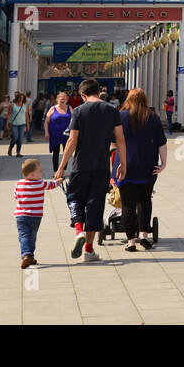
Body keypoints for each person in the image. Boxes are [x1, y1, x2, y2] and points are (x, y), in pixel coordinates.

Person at [56, 78, 126, 263]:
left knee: (74, 198)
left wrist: (61, 167)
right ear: (98, 91)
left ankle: (79, 230)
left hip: (81, 166)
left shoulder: (79, 111)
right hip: (102, 166)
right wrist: (123, 164)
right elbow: (120, 139)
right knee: (95, 205)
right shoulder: (111, 110)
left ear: (83, 95)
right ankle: (88, 250)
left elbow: (72, 141)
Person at [115, 88, 167, 251]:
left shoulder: (121, 117)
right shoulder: (152, 117)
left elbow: (113, 141)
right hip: (147, 166)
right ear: (145, 100)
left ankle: (131, 241)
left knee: (127, 204)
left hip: (125, 166)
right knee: (145, 201)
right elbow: (162, 143)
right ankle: (144, 236)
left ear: (128, 100)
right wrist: (163, 163)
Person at [14, 157, 59, 269]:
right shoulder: (41, 183)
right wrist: (59, 181)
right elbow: (52, 185)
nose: (42, 172)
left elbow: (16, 196)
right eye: (40, 171)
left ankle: (28, 255)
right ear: (32, 174)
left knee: (24, 236)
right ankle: (28, 255)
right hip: (35, 216)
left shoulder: (19, 183)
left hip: (21, 216)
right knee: (32, 236)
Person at [45, 92, 72, 172]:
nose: (62, 99)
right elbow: (46, 121)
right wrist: (46, 132)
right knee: (55, 153)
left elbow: (75, 120)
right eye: (61, 98)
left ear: (67, 100)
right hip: (55, 135)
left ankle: (63, 170)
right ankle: (55, 171)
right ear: (57, 99)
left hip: (67, 135)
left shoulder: (70, 108)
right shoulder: (53, 108)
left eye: (64, 98)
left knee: (66, 153)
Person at [7, 92, 29, 157]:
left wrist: (28, 125)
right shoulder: (12, 105)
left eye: (22, 98)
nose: (21, 99)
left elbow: (26, 115)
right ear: (17, 98)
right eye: (20, 97)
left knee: (20, 138)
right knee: (15, 137)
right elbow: (9, 114)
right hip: (14, 124)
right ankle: (11, 147)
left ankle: (18, 152)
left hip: (22, 124)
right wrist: (7, 123)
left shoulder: (24, 105)